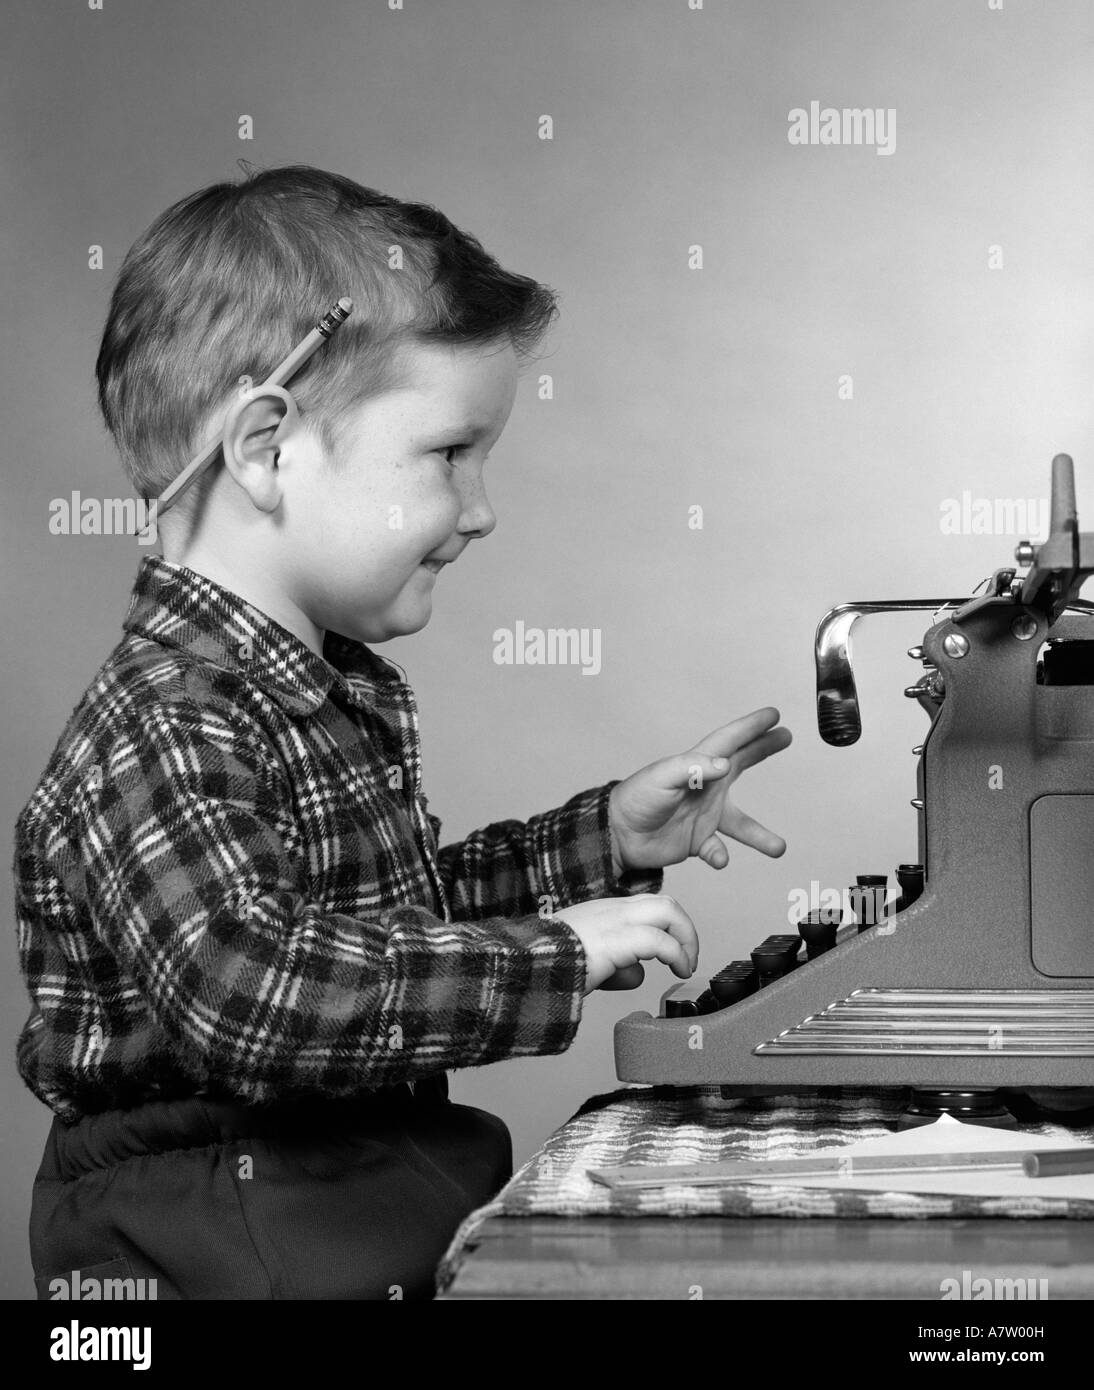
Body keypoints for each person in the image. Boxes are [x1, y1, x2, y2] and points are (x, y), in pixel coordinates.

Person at [15, 164, 791, 1300]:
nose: (481, 509)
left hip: (341, 1174)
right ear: (267, 447)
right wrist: (559, 951)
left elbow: (387, 934)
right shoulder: (163, 717)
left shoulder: (317, 687)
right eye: (448, 454)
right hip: (204, 1221)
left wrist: (601, 844)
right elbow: (258, 992)